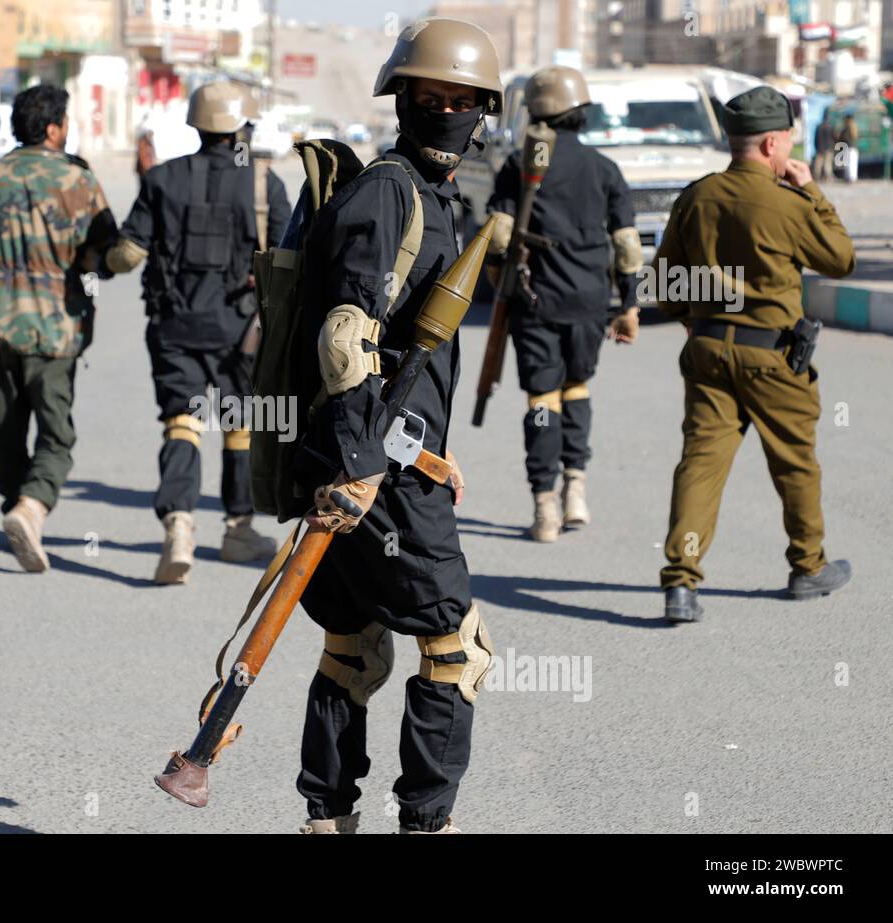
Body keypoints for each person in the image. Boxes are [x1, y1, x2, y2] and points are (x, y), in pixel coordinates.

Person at [287, 18, 498, 834]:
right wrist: (364, 462)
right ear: (402, 98)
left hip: (380, 460)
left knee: (355, 648)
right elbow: (346, 337)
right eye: (431, 96)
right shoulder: (390, 190)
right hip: (376, 472)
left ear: (483, 110)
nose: (447, 112)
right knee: (457, 650)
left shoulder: (430, 193)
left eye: (462, 100)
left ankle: (326, 818)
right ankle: (425, 824)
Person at [653, 86, 855, 623]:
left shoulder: (697, 196)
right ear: (771, 144)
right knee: (794, 463)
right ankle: (808, 566)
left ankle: (680, 583)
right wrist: (812, 191)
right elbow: (840, 259)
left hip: (708, 351)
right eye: (788, 141)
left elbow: (665, 281)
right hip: (772, 359)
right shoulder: (787, 202)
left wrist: (697, 320)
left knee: (700, 464)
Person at [101, 81, 292, 585]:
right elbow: (293, 263)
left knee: (182, 422)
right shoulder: (264, 183)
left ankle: (180, 525)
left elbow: (126, 255)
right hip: (241, 333)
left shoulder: (162, 179)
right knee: (239, 424)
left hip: (174, 326)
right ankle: (237, 531)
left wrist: (99, 253)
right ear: (242, 128)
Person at [0, 84, 119, 572]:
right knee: (56, 434)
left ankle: (15, 507)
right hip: (59, 329)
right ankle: (32, 508)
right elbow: (107, 252)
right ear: (55, 128)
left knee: (5, 425)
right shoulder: (78, 178)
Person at [486, 65, 642, 542]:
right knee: (577, 388)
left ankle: (545, 508)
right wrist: (630, 305)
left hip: (536, 302)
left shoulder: (519, 164)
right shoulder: (604, 168)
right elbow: (627, 244)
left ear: (536, 112)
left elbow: (498, 237)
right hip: (591, 302)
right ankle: (577, 488)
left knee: (541, 400)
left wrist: (500, 282)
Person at [812, 113, 834, 181]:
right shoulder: (830, 126)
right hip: (829, 147)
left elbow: (815, 138)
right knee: (827, 164)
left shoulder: (819, 126)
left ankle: (816, 177)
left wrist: (816, 147)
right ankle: (827, 177)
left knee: (818, 164)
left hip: (820, 148)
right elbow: (834, 137)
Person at [838, 114, 859, 183]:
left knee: (849, 163)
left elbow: (843, 138)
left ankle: (849, 177)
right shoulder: (854, 127)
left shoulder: (847, 127)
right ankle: (852, 177)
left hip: (848, 147)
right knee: (852, 163)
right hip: (853, 147)